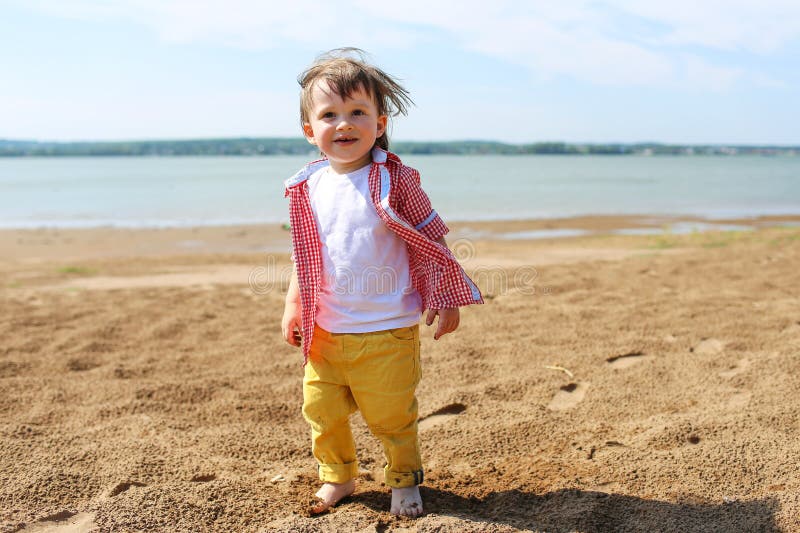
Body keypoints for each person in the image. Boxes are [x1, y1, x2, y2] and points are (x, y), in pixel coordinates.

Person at [281, 48, 482, 518]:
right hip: (326, 331)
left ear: (381, 122)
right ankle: (339, 475)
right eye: (329, 114)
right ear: (311, 131)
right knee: (322, 412)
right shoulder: (305, 186)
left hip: (387, 329)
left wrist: (447, 296)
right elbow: (304, 255)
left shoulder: (394, 180)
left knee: (391, 416)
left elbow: (431, 238)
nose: (344, 124)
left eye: (358, 112)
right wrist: (292, 305)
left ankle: (403, 479)